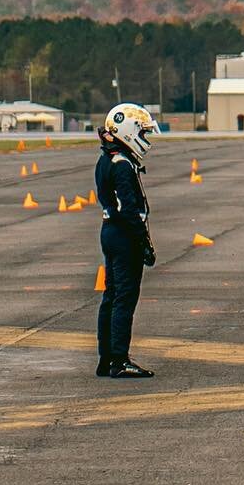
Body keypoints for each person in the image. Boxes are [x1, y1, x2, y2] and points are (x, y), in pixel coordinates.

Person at [96, 102, 158, 379]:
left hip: (110, 231)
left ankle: (107, 357)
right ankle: (119, 360)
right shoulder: (122, 164)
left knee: (111, 295)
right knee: (124, 298)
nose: (144, 139)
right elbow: (129, 209)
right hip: (123, 236)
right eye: (141, 133)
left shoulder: (108, 157)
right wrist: (142, 241)